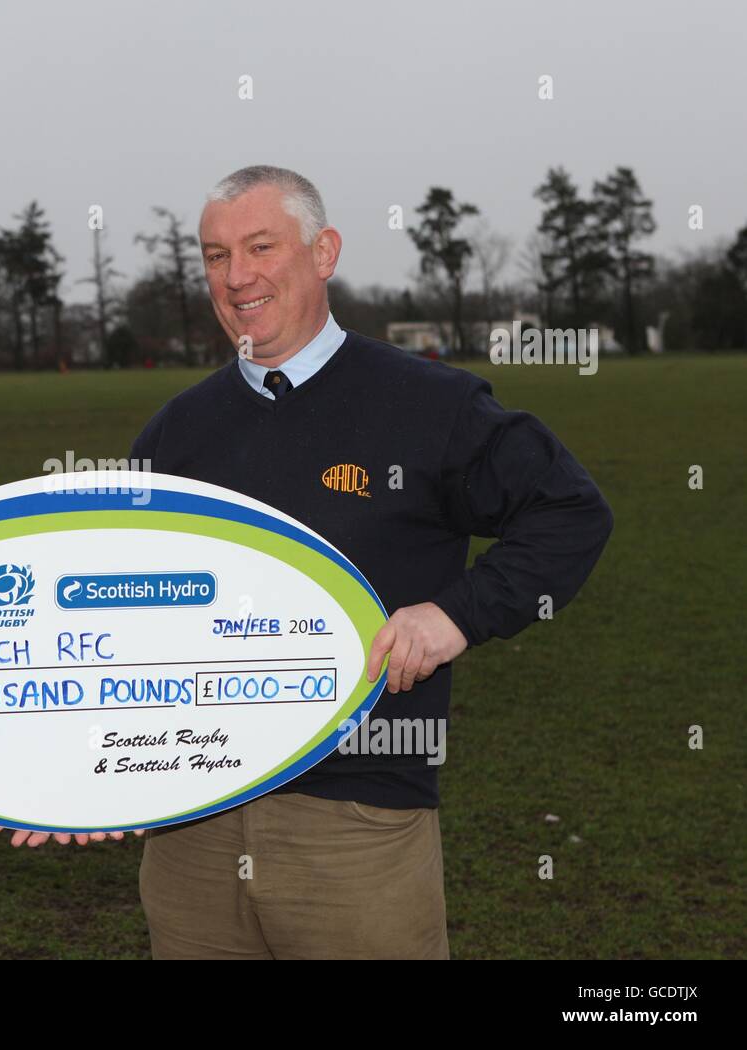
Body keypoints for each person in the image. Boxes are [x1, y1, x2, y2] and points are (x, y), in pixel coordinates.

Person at [128, 165, 614, 959]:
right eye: (215, 255)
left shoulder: (430, 405)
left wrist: (456, 614)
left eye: (260, 247)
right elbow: (132, 611)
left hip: (356, 822)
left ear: (324, 253)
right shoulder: (173, 434)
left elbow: (570, 510)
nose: (236, 275)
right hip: (192, 831)